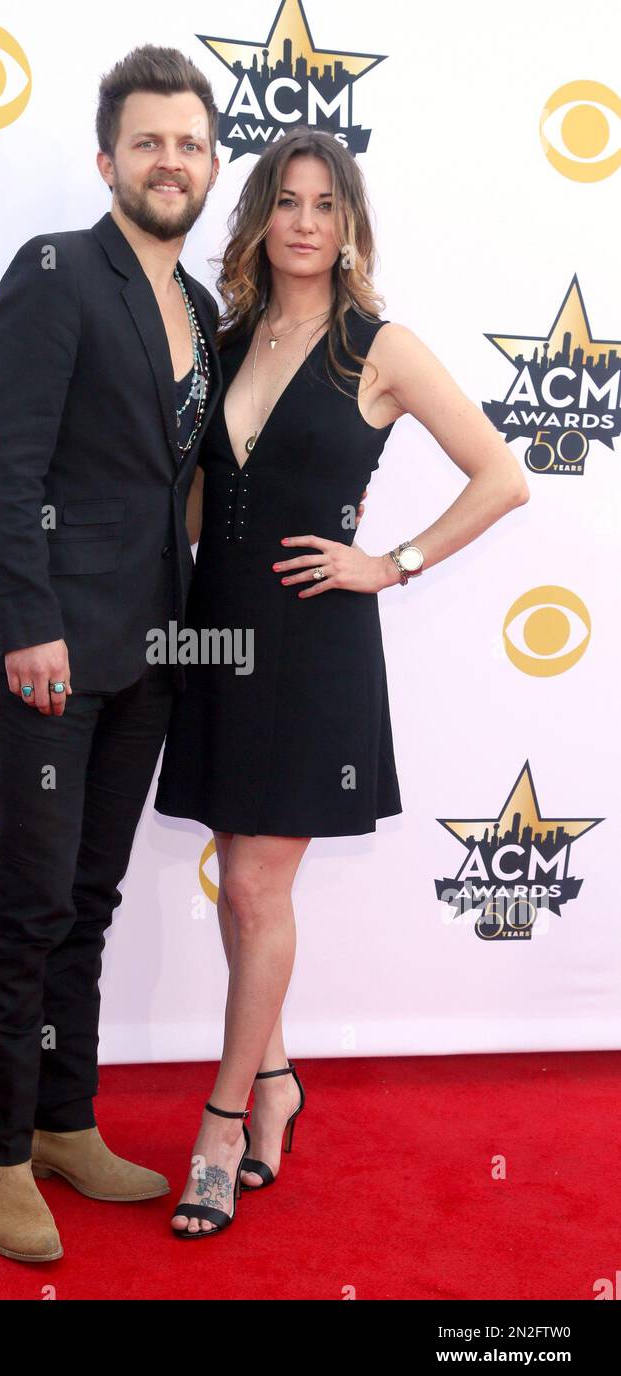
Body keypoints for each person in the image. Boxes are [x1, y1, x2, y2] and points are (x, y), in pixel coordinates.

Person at [154, 127, 530, 1237]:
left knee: (260, 886)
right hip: (214, 638)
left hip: (314, 647)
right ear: (259, 216)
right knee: (238, 872)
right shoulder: (219, 341)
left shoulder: (382, 348)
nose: (306, 221)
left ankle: (222, 1124)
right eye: (286, 200)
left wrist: (389, 562)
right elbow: (190, 502)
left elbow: (501, 476)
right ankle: (276, 1083)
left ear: (348, 222)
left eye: (326, 203)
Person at [0, 45, 223, 1262]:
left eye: (191, 142)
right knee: (31, 904)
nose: (172, 160)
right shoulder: (59, 273)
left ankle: (66, 1121)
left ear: (213, 163)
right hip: (49, 652)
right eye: (149, 140)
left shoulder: (203, 308)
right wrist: (31, 626)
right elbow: (3, 467)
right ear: (107, 157)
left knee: (93, 902)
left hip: (149, 651)